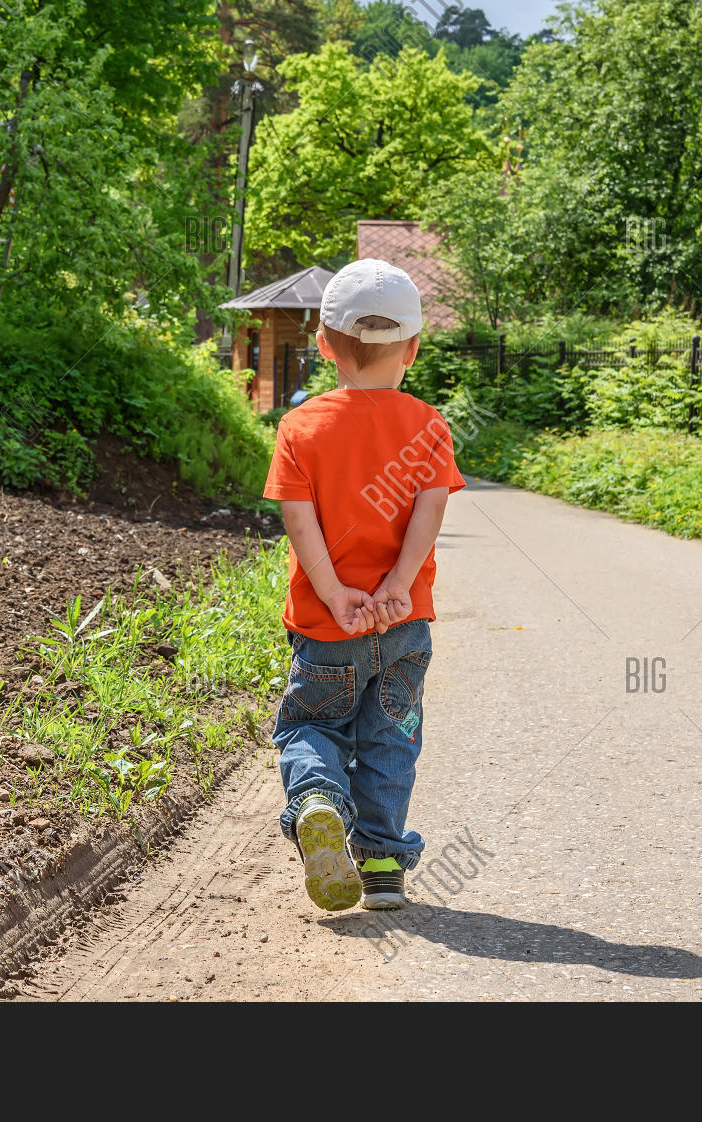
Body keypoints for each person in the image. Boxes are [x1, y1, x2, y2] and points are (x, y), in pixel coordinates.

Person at [262, 259, 465, 911]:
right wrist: (398, 585)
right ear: (412, 347)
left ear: (325, 346)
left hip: (328, 628)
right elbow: (430, 511)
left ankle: (319, 801)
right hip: (403, 627)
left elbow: (299, 522)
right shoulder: (429, 424)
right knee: (389, 740)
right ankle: (381, 869)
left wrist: (334, 592)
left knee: (310, 727)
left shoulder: (301, 428)